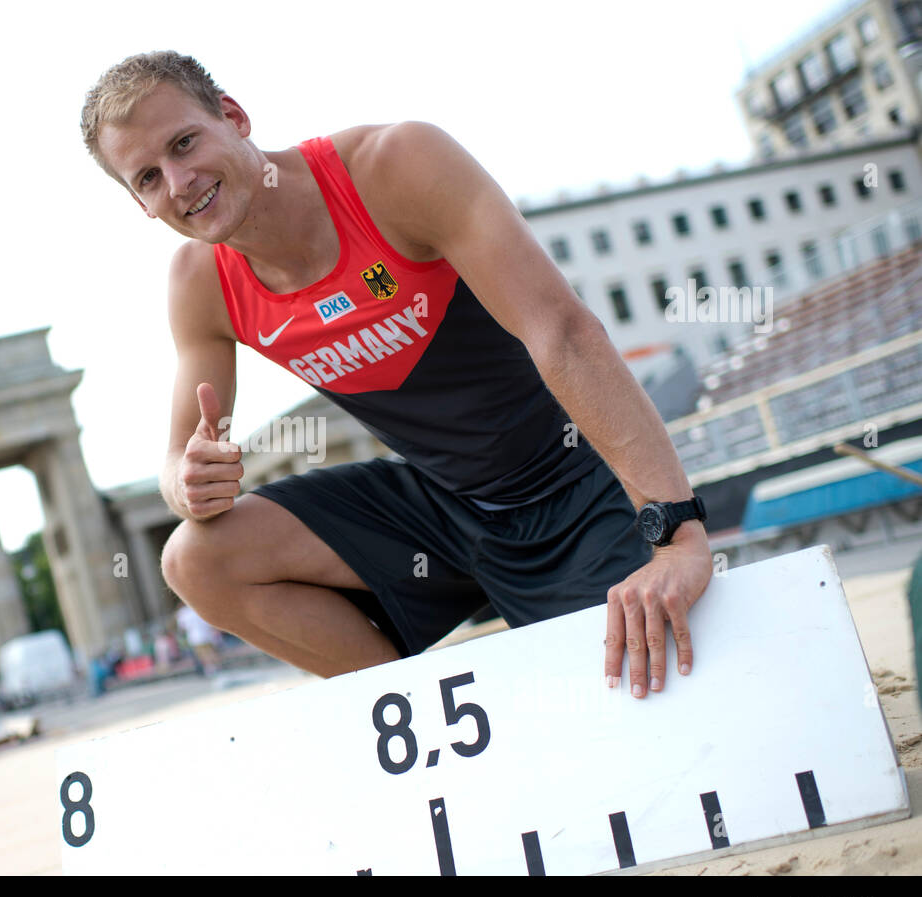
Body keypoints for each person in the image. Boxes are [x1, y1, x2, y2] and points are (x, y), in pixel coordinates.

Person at [80, 52, 713, 699]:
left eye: (184, 143)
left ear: (234, 118)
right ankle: (416, 707)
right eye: (149, 178)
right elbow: (175, 464)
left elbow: (564, 333)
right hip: (441, 515)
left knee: (637, 707)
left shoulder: (395, 167)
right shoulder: (199, 285)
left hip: (573, 487)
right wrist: (188, 484)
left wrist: (678, 534)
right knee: (194, 559)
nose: (179, 181)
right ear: (142, 203)